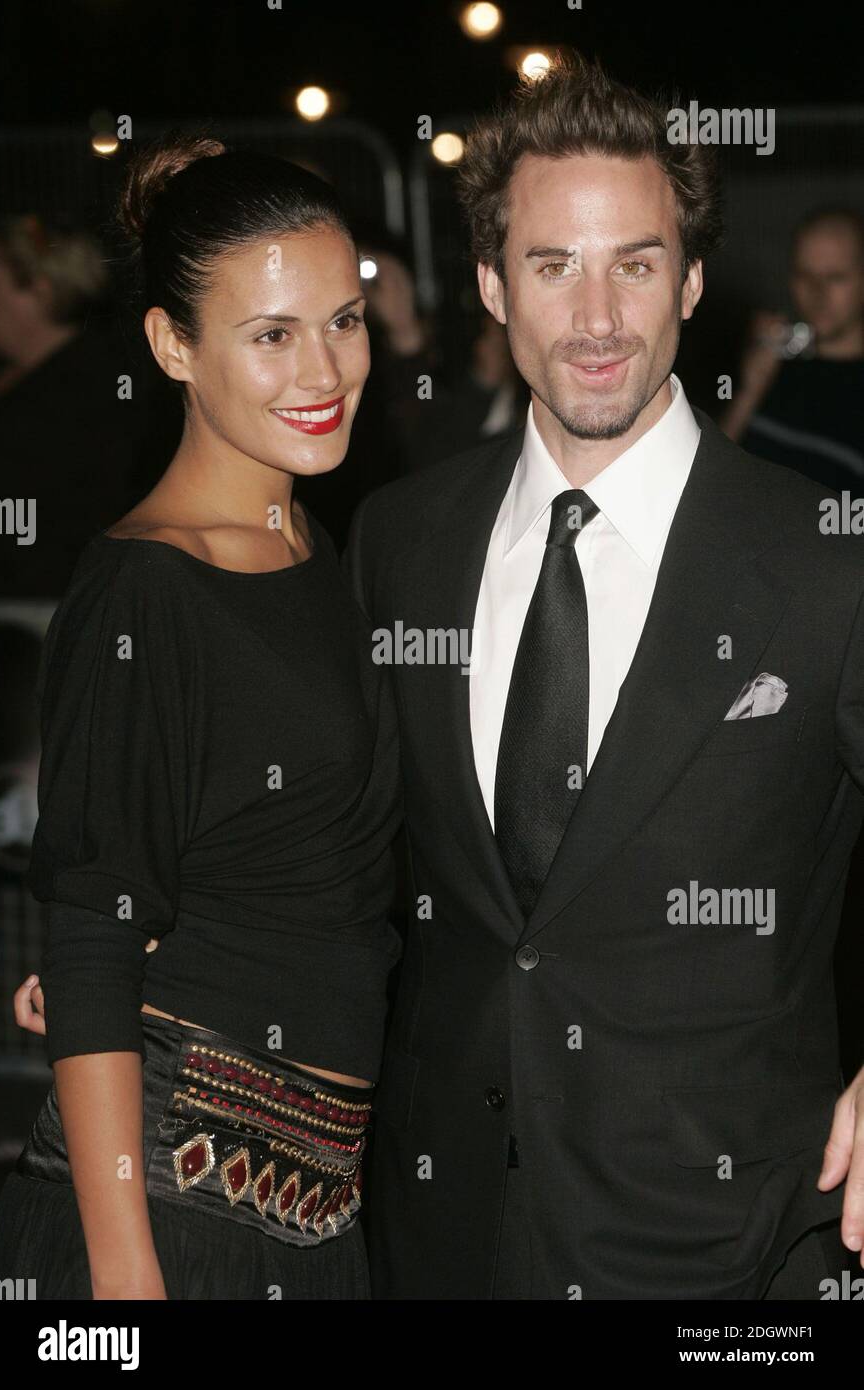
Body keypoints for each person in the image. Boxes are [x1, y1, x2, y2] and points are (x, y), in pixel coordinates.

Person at [342, 55, 864, 1299]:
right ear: (487, 283)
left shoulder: (826, 553)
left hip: (730, 1242)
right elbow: (347, 856)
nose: (596, 317)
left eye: (634, 263)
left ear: (690, 281)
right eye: (550, 264)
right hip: (441, 1232)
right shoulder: (400, 539)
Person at [0, 133, 402, 1299]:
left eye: (344, 319)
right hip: (167, 1223)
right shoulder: (147, 585)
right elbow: (93, 940)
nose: (324, 370)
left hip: (315, 1222)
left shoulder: (312, 543)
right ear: (173, 344)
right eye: (272, 335)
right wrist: (127, 1286)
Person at [0, 213, 180, 598]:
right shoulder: (19, 374)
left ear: (39, 290)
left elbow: (72, 525)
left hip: (41, 607)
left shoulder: (98, 388)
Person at [721, 207, 864, 495]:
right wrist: (749, 390)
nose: (816, 292)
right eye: (804, 275)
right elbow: (711, 474)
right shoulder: (774, 365)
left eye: (835, 277)